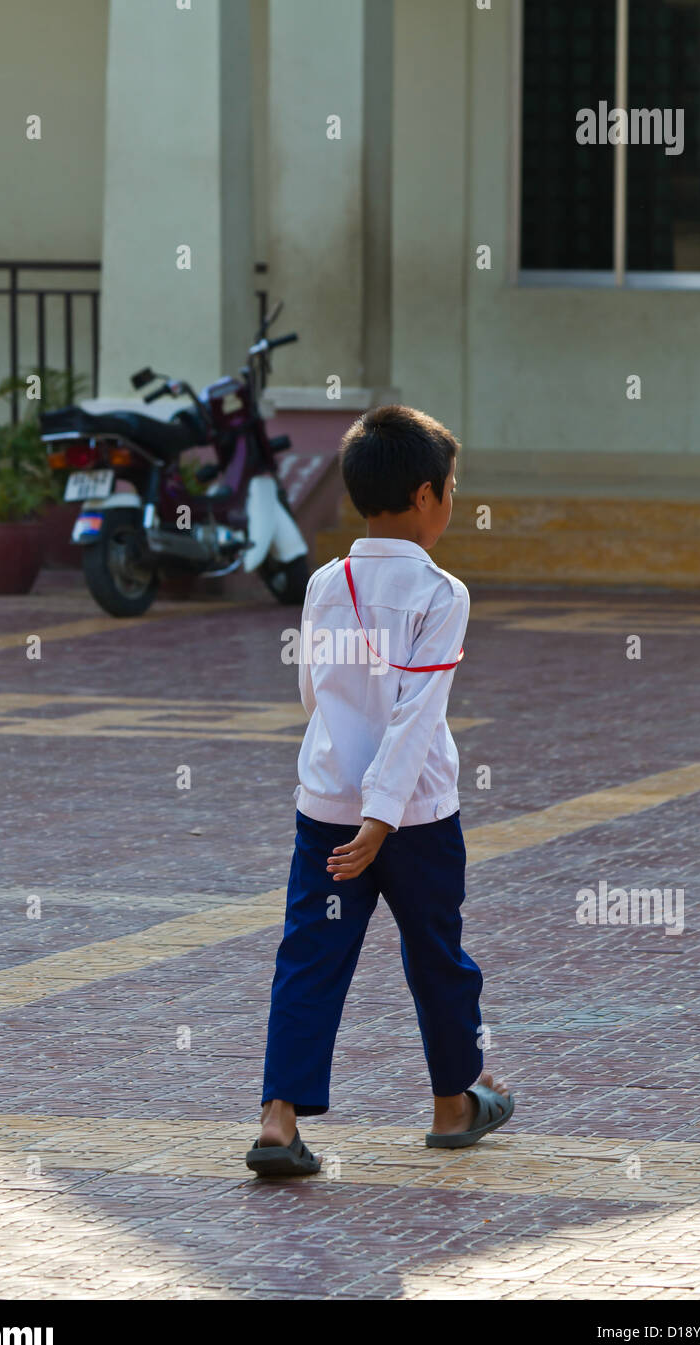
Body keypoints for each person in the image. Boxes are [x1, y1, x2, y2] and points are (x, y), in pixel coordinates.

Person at [246, 404, 514, 1176]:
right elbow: (416, 717)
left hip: (324, 806)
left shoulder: (326, 582)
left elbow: (313, 694)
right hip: (417, 816)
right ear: (428, 495)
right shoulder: (442, 593)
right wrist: (383, 818)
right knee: (438, 957)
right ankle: (452, 1105)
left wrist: (355, 808)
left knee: (309, 959)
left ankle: (277, 1119)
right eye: (453, 487)